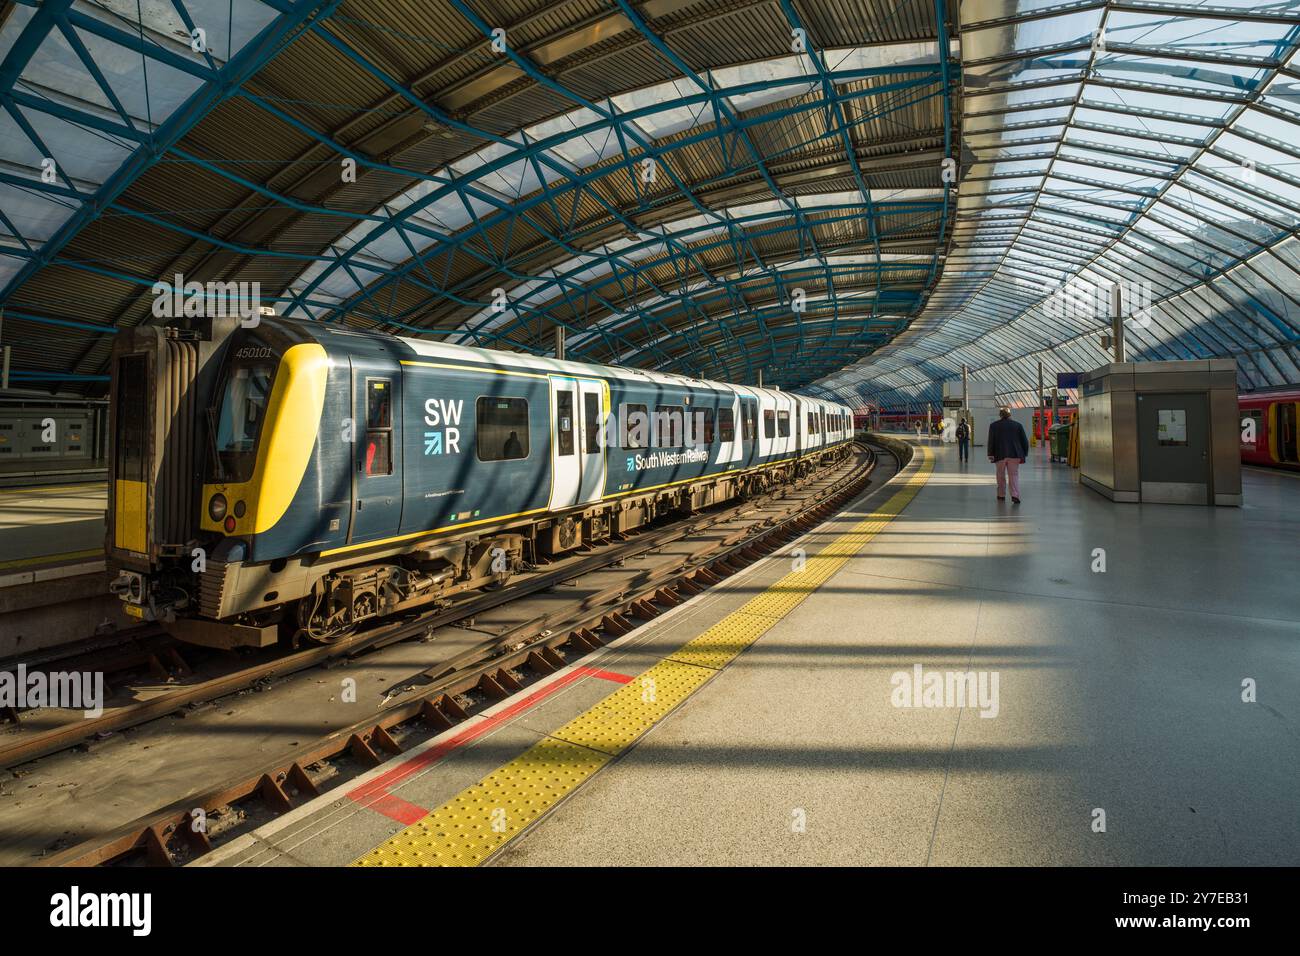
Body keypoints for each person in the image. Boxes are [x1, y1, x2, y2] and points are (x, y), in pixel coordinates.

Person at [987, 407, 1029, 503]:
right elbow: (1024, 441)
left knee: (1000, 475)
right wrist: (1024, 453)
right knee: (1013, 475)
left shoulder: (994, 425)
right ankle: (1015, 495)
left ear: (1000, 415)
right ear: (1010, 415)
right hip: (1015, 454)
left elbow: (991, 441)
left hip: (999, 454)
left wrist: (990, 453)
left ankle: (1001, 494)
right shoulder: (1018, 425)